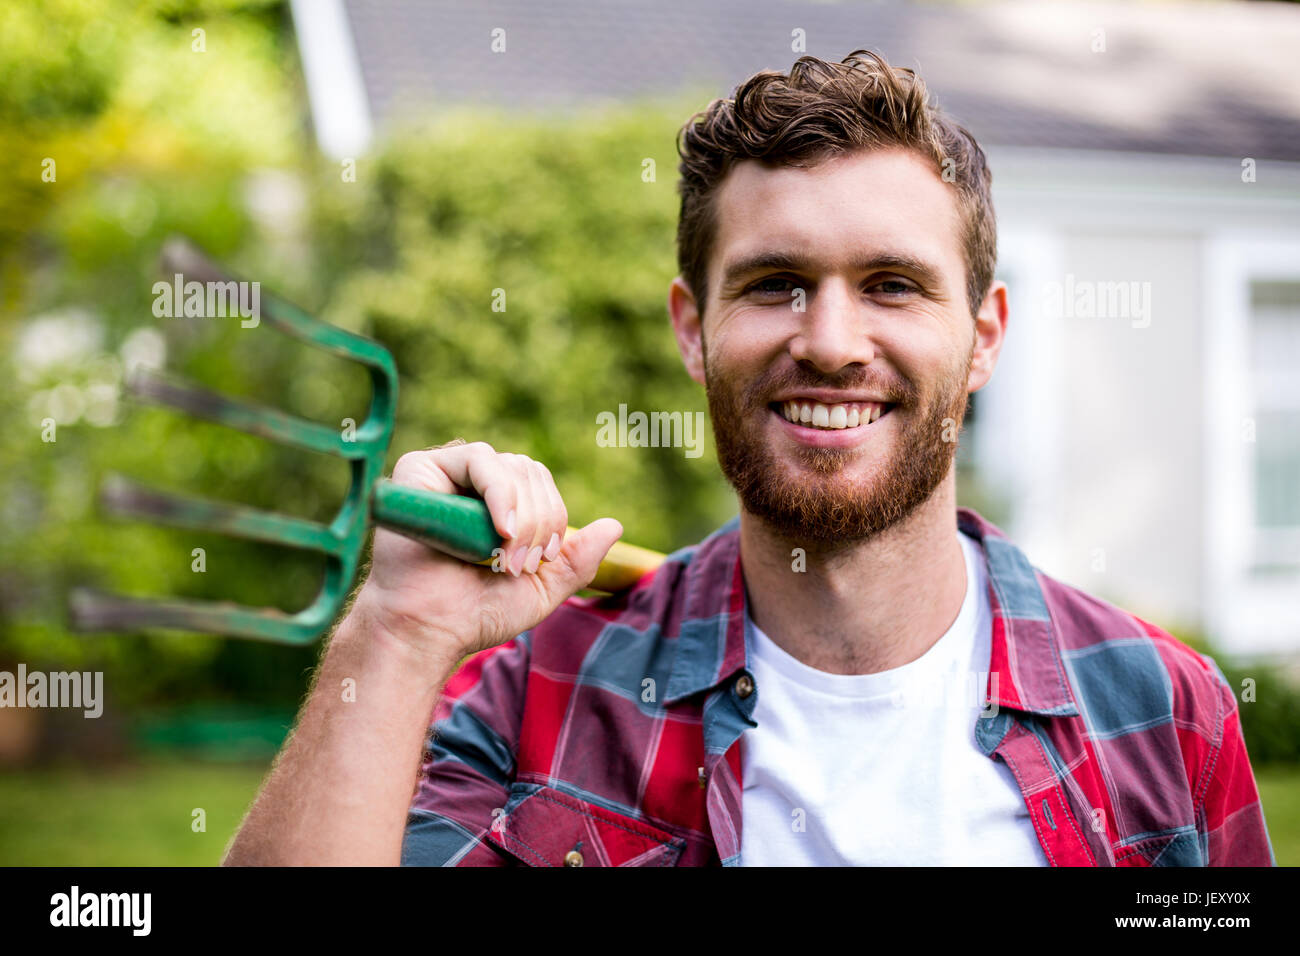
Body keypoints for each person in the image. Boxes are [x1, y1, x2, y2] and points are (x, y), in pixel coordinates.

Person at [224, 49, 1274, 867]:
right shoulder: (535, 697)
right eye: (774, 281)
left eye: (892, 284)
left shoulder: (1164, 713)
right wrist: (394, 632)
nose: (826, 339)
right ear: (692, 327)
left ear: (985, 336)